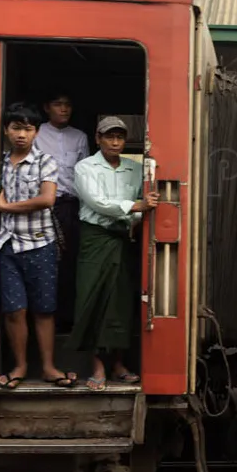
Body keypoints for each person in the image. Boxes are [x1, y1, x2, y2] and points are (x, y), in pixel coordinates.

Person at [67, 116, 159, 391]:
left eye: (119, 137)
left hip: (122, 238)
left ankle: (118, 363)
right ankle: (97, 366)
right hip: (95, 238)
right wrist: (136, 207)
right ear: (98, 139)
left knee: (120, 302)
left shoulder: (134, 168)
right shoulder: (85, 167)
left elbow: (139, 209)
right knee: (91, 298)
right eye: (109, 136)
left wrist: (133, 219)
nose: (115, 142)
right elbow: (97, 202)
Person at [0, 102, 77, 389]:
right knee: (14, 310)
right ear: (6, 130)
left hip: (41, 244)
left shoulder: (46, 161)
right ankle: (19, 366)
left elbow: (47, 199)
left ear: (36, 132)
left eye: (28, 129)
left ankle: (49, 368)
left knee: (44, 310)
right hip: (8, 245)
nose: (21, 134)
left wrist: (6, 207)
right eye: (16, 128)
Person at [32, 90, 90, 330]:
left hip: (70, 207)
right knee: (44, 263)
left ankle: (66, 320)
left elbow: (85, 173)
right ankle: (44, 318)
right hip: (41, 209)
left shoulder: (79, 137)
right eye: (58, 104)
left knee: (69, 263)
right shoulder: (35, 133)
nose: (64, 109)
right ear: (47, 107)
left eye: (68, 104)